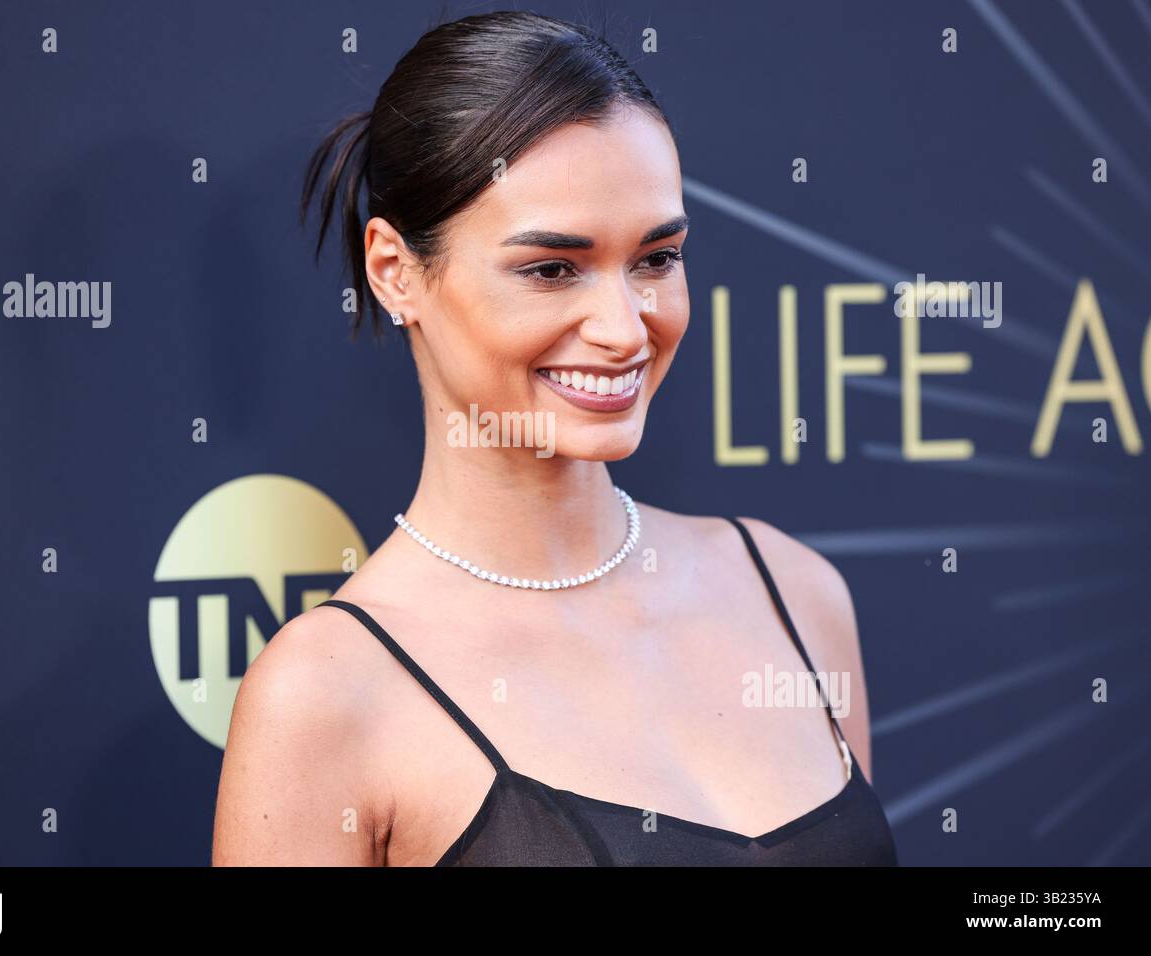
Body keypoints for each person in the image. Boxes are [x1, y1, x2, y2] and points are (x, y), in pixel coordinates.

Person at [212, 10, 898, 866]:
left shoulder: (795, 593)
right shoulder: (326, 696)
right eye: (551, 269)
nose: (625, 328)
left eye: (657, 258)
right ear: (395, 272)